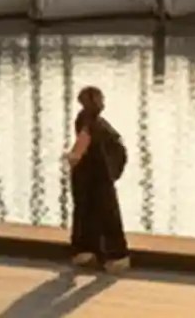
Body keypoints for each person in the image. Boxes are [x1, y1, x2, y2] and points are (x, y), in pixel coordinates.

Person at [65, 86, 129, 273]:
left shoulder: (88, 119)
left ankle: (85, 251)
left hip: (91, 173)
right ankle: (115, 255)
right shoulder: (89, 120)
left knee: (87, 211)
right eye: (100, 99)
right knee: (107, 213)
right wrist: (75, 155)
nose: (103, 102)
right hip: (96, 174)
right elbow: (84, 138)